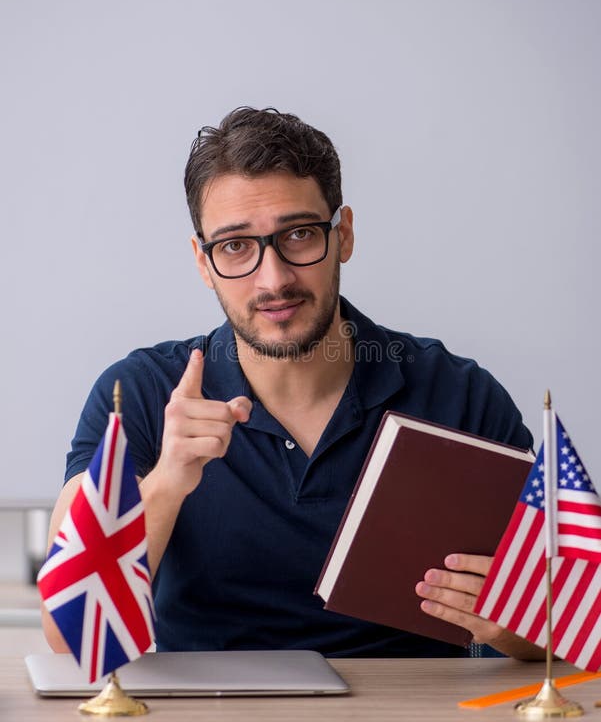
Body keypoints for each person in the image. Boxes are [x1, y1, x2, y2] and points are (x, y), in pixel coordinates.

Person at [43, 106, 541, 660]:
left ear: (343, 235)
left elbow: (560, 625)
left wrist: (509, 624)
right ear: (203, 263)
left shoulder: (460, 396)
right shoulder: (136, 393)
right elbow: (68, 636)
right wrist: (165, 482)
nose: (274, 278)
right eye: (235, 246)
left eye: (299, 235)